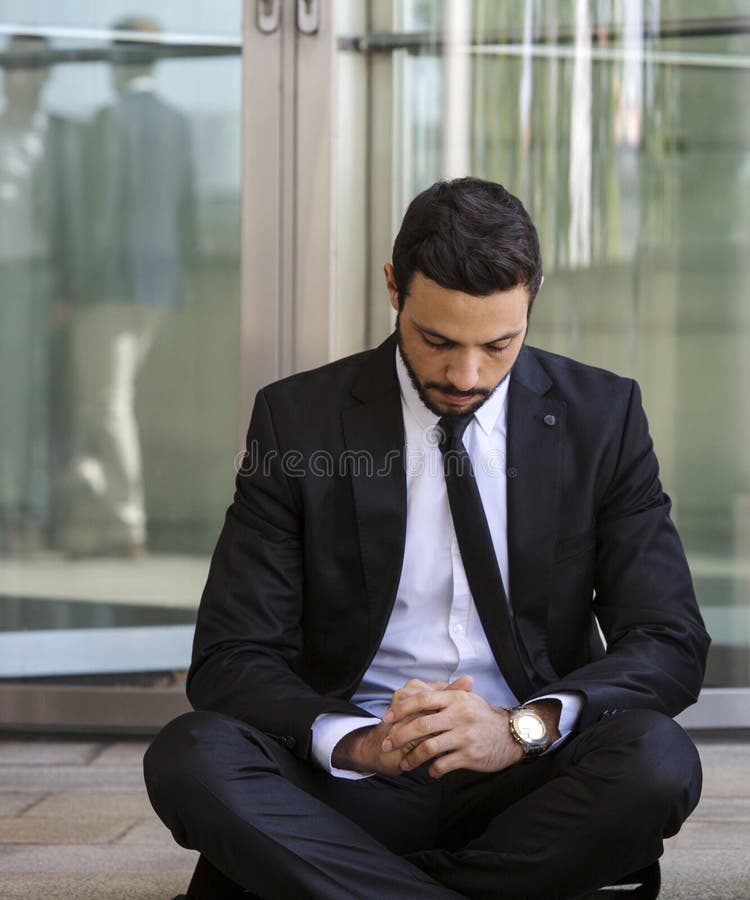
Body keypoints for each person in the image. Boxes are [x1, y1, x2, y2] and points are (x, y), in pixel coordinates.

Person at [144, 177, 709, 900]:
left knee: (657, 761)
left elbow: (668, 639)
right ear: (392, 288)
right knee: (192, 758)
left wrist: (521, 728)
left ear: (533, 295)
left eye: (499, 345)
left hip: (526, 776)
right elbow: (231, 658)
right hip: (351, 780)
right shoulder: (299, 421)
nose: (465, 374)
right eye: (437, 340)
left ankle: (342, 885)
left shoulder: (602, 417)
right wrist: (357, 742)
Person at [61, 16, 195, 557]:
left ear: (117, 59)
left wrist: (75, 285)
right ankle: (99, 502)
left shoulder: (107, 121)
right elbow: (185, 211)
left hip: (111, 283)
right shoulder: (178, 122)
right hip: (159, 285)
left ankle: (124, 520)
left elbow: (100, 214)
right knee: (105, 399)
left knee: (108, 400)